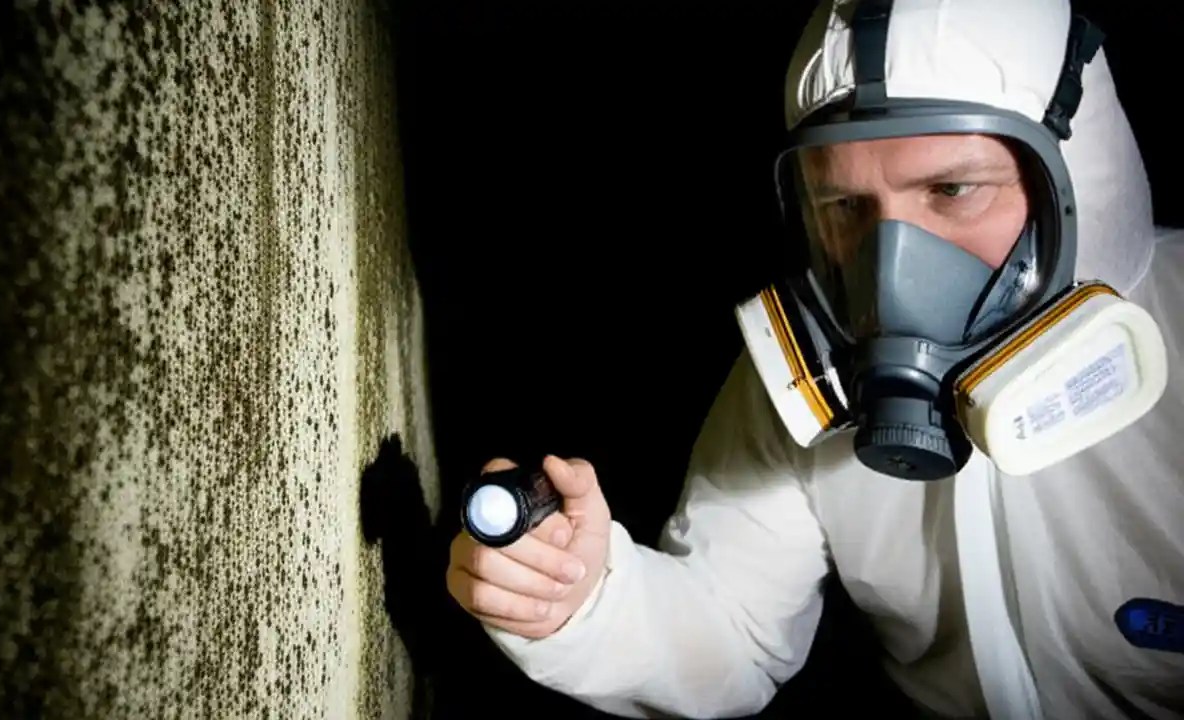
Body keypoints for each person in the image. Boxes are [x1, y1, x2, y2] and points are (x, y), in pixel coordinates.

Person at [445, 0, 1184, 717]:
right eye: (845, 209)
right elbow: (731, 629)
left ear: (1080, 182)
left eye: (952, 190)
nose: (890, 274)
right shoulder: (810, 379)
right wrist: (581, 599)